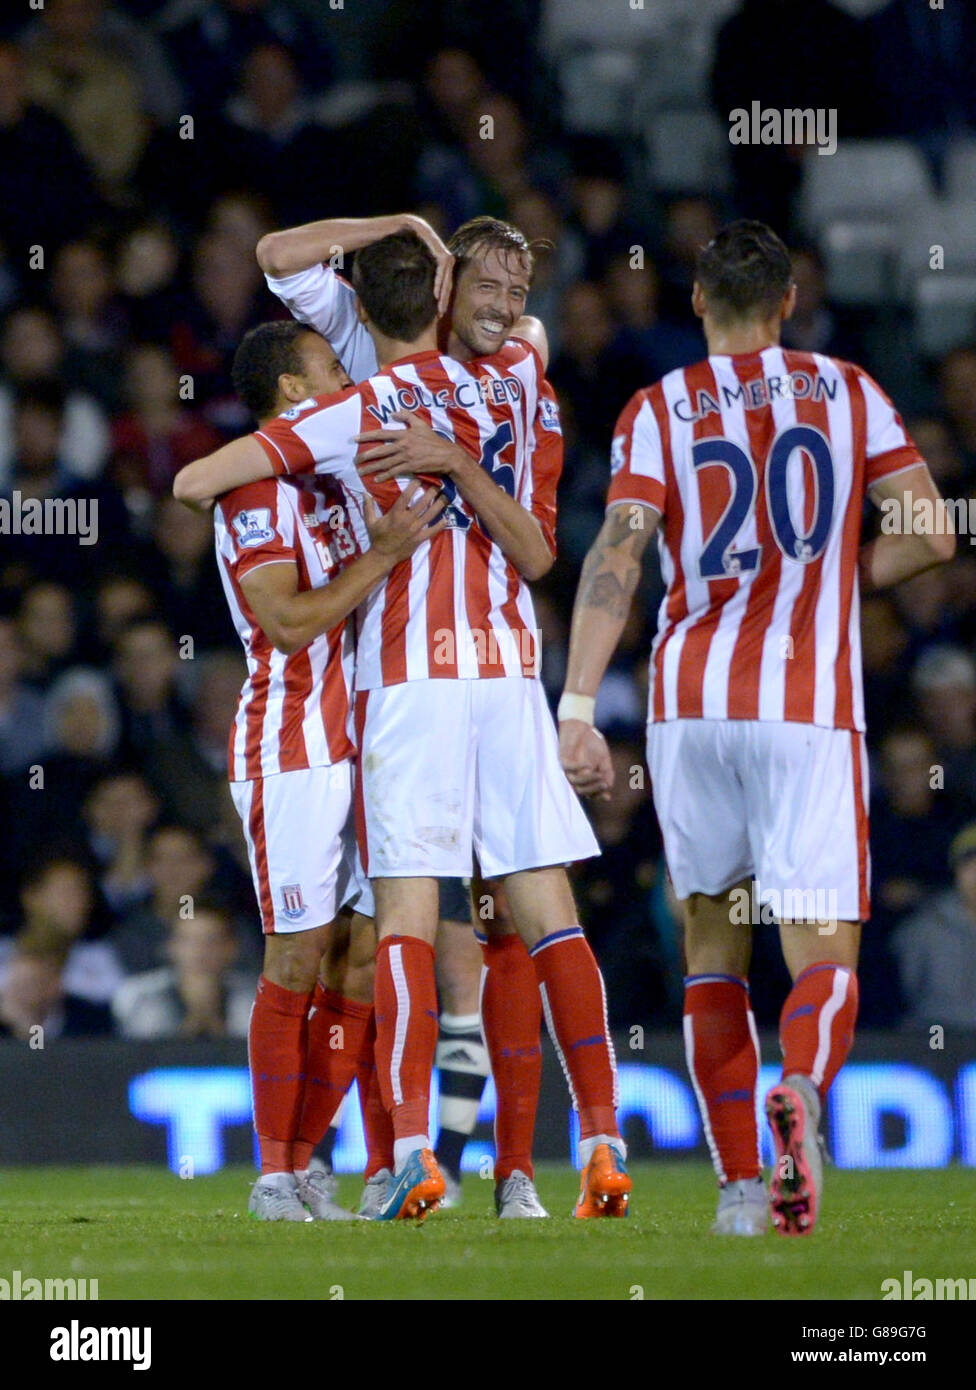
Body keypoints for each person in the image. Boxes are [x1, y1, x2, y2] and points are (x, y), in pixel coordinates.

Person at [174, 230, 630, 1223]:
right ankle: (589, 1141)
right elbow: (542, 536)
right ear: (451, 295)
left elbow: (194, 479)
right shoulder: (518, 376)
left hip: (407, 691)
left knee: (403, 928)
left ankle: (411, 1149)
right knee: (538, 916)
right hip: (506, 676)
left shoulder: (361, 408)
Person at [557, 219, 953, 1237]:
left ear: (695, 303)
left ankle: (739, 1188)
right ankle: (806, 1089)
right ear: (789, 302)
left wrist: (574, 702)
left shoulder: (658, 409)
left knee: (711, 948)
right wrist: (840, 579)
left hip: (688, 712)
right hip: (803, 707)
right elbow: (931, 531)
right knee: (823, 950)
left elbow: (618, 552)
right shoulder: (848, 391)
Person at [254, 209, 564, 1217]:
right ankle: (349, 1156)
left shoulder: (496, 358)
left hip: (462, 667)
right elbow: (274, 257)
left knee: (472, 922)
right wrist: (392, 223)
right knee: (381, 935)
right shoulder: (355, 352)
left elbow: (532, 343)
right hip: (378, 675)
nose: (500, 305)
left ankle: (494, 1162)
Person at [193, 318, 446, 1220]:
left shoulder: (332, 480)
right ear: (293, 392)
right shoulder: (255, 492)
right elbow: (289, 622)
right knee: (296, 952)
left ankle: (306, 1163)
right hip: (291, 745)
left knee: (361, 959)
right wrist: (383, 555)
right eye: (332, 366)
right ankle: (269, 1175)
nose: (348, 376)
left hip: (368, 740)